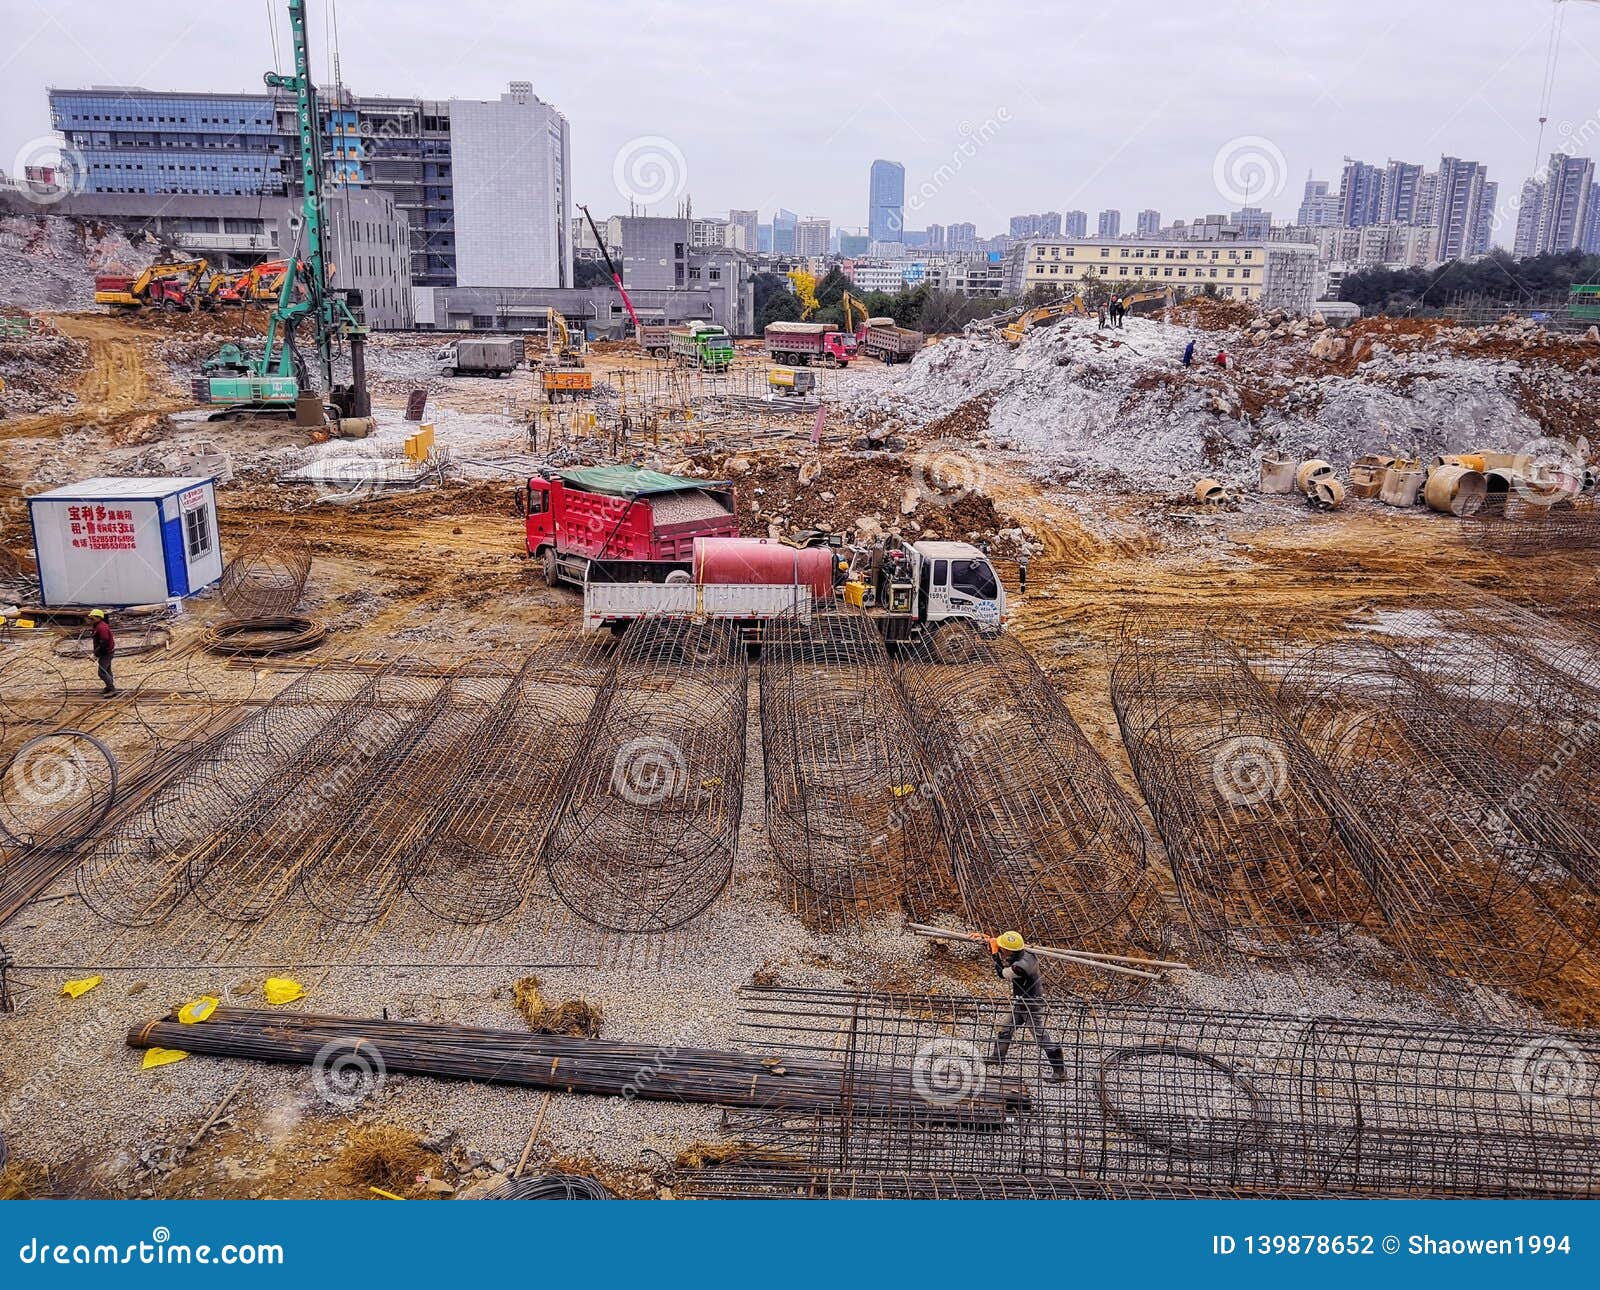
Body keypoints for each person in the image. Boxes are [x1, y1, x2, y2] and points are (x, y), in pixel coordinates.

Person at [986, 931, 1066, 1082]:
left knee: (1041, 1037)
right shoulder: (1025, 953)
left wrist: (995, 953)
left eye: (1004, 948)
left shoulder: (1020, 967)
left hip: (1030, 1004)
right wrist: (991, 941)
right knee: (1006, 1028)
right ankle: (997, 1058)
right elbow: (1006, 947)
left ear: (1009, 950)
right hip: (1021, 1001)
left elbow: (1001, 973)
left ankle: (1060, 1072)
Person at [89, 608, 116, 696]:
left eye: (92, 618)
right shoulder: (98, 626)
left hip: (106, 652)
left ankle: (112, 689)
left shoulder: (102, 627)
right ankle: (109, 687)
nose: (90, 620)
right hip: (106, 652)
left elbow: (104, 642)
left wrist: (96, 654)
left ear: (99, 618)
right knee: (107, 670)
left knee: (102, 672)